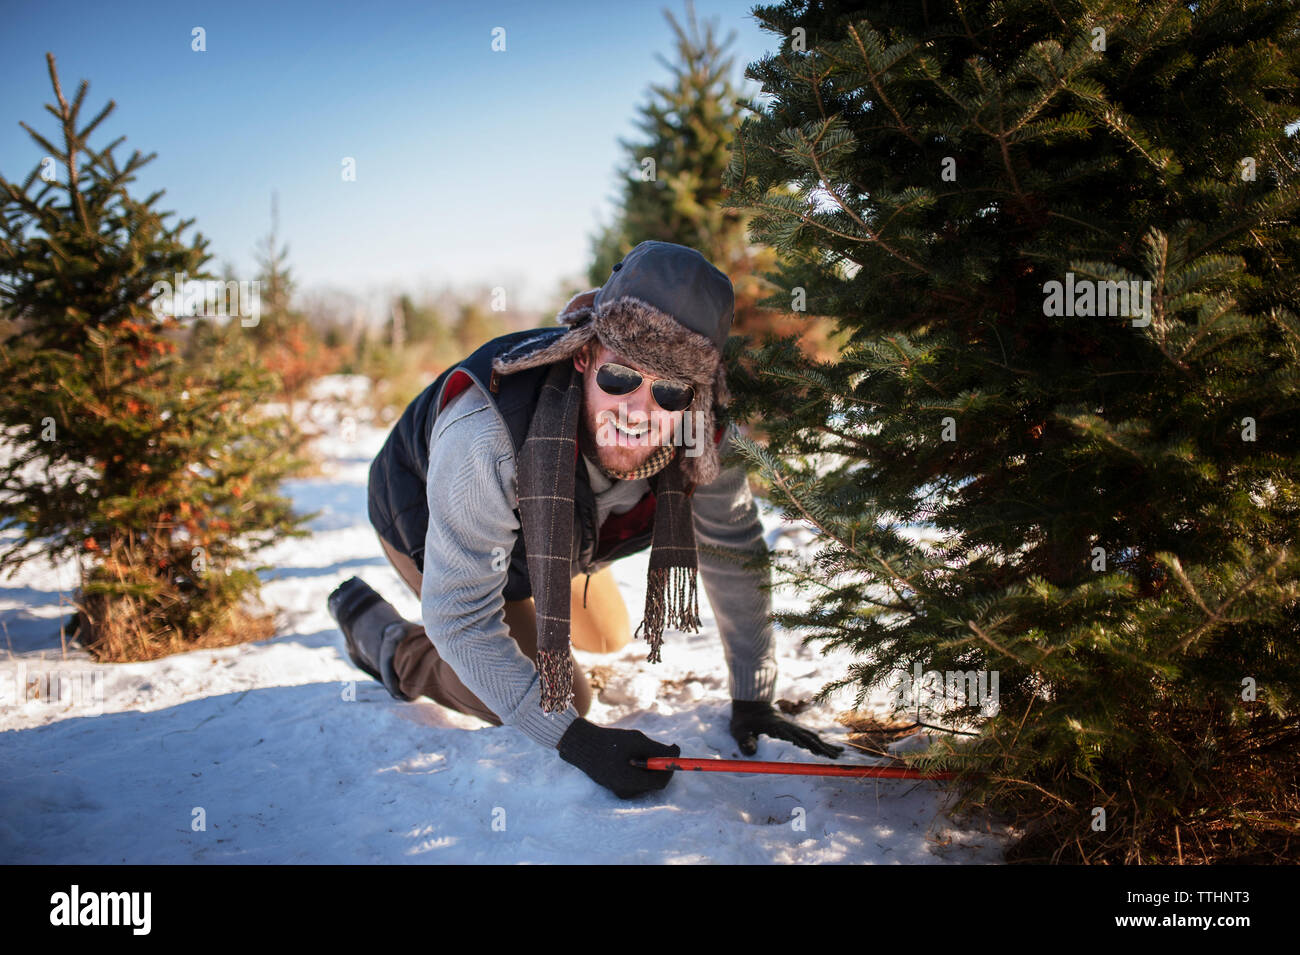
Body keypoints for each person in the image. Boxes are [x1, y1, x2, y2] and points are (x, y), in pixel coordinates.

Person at [329, 240, 842, 800]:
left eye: (669, 391)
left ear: (697, 397)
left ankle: (537, 600)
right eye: (620, 377)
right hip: (425, 514)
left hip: (559, 541)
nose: (637, 413)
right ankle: (390, 645)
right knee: (564, 696)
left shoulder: (704, 439)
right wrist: (573, 739)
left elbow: (734, 553)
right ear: (583, 354)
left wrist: (753, 697)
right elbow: (460, 617)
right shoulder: (488, 428)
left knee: (609, 636)